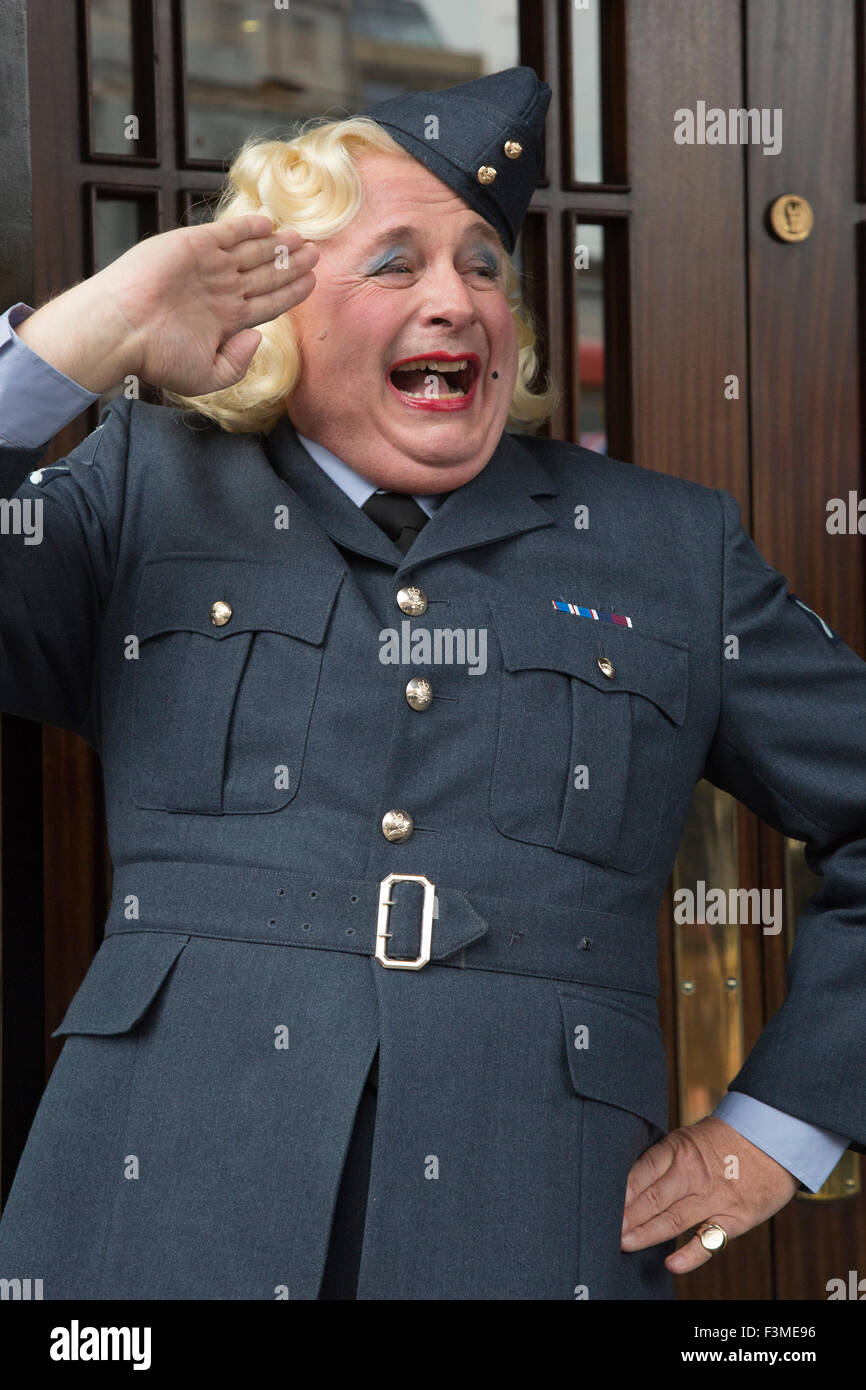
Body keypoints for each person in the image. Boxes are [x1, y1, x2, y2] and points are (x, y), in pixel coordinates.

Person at [0, 66, 862, 1301]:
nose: (456, 301)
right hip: (155, 1222)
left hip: (534, 1232)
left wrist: (779, 1132)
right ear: (276, 308)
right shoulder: (137, 489)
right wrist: (81, 337)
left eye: (482, 266)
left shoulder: (671, 549)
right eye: (395, 264)